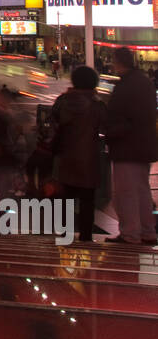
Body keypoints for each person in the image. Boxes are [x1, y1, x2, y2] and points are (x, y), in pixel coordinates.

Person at [106, 48, 158, 245]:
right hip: (144, 146)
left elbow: (122, 117)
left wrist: (110, 132)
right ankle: (147, 231)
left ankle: (130, 234)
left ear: (119, 62)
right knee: (142, 191)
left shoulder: (127, 85)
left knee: (125, 193)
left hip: (127, 147)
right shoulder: (144, 81)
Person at [49, 66, 106, 243]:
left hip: (65, 159)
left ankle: (64, 237)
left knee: (65, 200)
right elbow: (107, 127)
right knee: (87, 202)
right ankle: (86, 238)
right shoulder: (97, 105)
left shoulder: (62, 101)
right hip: (88, 158)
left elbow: (51, 124)